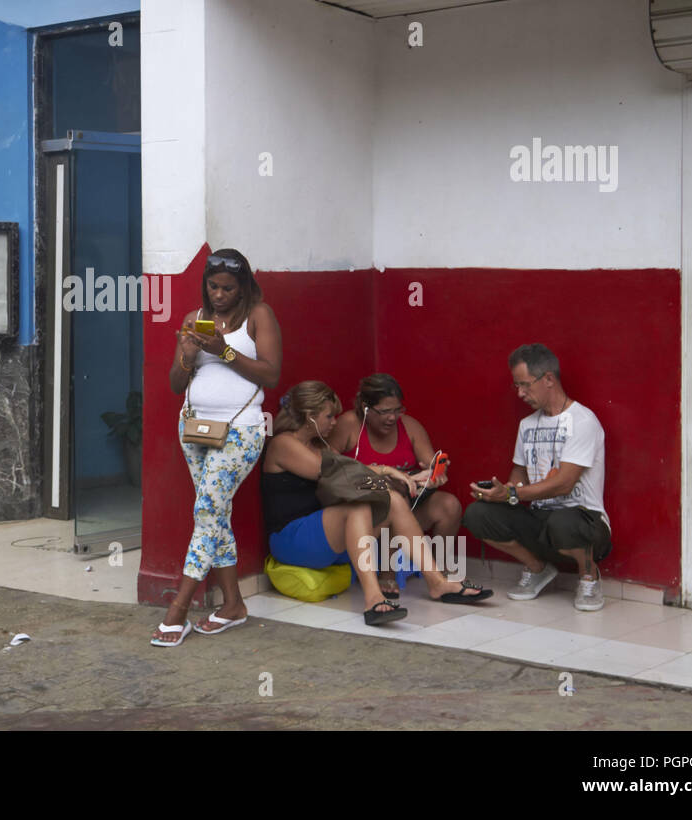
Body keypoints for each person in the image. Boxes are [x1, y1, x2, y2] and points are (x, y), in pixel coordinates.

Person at [266, 380, 491, 624]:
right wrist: (385, 470)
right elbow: (332, 473)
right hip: (292, 539)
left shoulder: (318, 445)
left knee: (391, 500)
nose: (334, 422)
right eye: (329, 416)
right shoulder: (283, 443)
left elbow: (348, 482)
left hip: (326, 539)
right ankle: (373, 597)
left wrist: (406, 480)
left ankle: (437, 582)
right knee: (359, 508)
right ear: (309, 417)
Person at [152, 249, 280, 646]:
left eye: (228, 287)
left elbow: (272, 374)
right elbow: (176, 383)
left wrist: (223, 349)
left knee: (207, 508)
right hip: (194, 427)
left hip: (241, 430)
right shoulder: (194, 318)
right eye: (213, 286)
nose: (219, 294)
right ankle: (233, 604)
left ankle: (179, 609)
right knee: (215, 513)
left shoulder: (259, 315)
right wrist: (189, 357)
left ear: (243, 287)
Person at [463, 343, 610, 612]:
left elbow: (565, 482)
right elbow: (520, 475)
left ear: (549, 379)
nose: (520, 393)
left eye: (525, 385)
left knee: (563, 521)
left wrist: (512, 494)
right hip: (540, 519)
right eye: (516, 386)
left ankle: (589, 576)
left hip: (583, 520)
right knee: (477, 514)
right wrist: (501, 493)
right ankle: (538, 569)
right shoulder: (527, 425)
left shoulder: (583, 421)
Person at [331, 373, 462, 598]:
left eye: (397, 410)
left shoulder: (409, 426)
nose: (392, 418)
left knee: (449, 505)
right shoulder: (348, 425)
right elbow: (327, 468)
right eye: (384, 411)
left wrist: (433, 475)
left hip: (406, 507)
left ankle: (439, 574)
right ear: (365, 407)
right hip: (362, 516)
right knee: (391, 499)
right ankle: (386, 574)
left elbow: (429, 463)